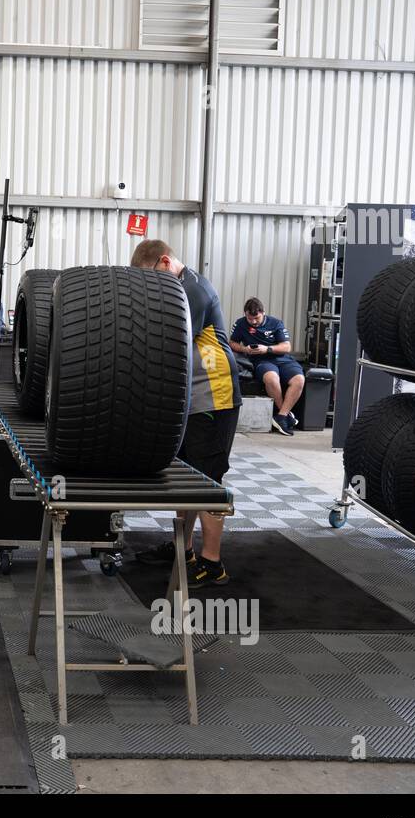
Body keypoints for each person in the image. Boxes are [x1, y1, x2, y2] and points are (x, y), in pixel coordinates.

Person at [128, 240, 239, 587]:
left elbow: (168, 340)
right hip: (193, 397)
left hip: (214, 396)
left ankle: (212, 562)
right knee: (189, 478)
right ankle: (184, 548)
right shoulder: (179, 285)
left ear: (165, 261)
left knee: (208, 481)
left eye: (152, 279)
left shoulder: (190, 289)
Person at [229, 297, 304, 437]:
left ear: (263, 313)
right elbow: (232, 343)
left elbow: (286, 346)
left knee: (299, 379)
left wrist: (267, 349)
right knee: (272, 379)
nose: (253, 322)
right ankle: (284, 417)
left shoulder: (276, 323)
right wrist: (245, 349)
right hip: (261, 361)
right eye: (249, 318)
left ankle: (281, 416)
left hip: (282, 359)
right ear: (245, 314)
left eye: (256, 318)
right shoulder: (240, 324)